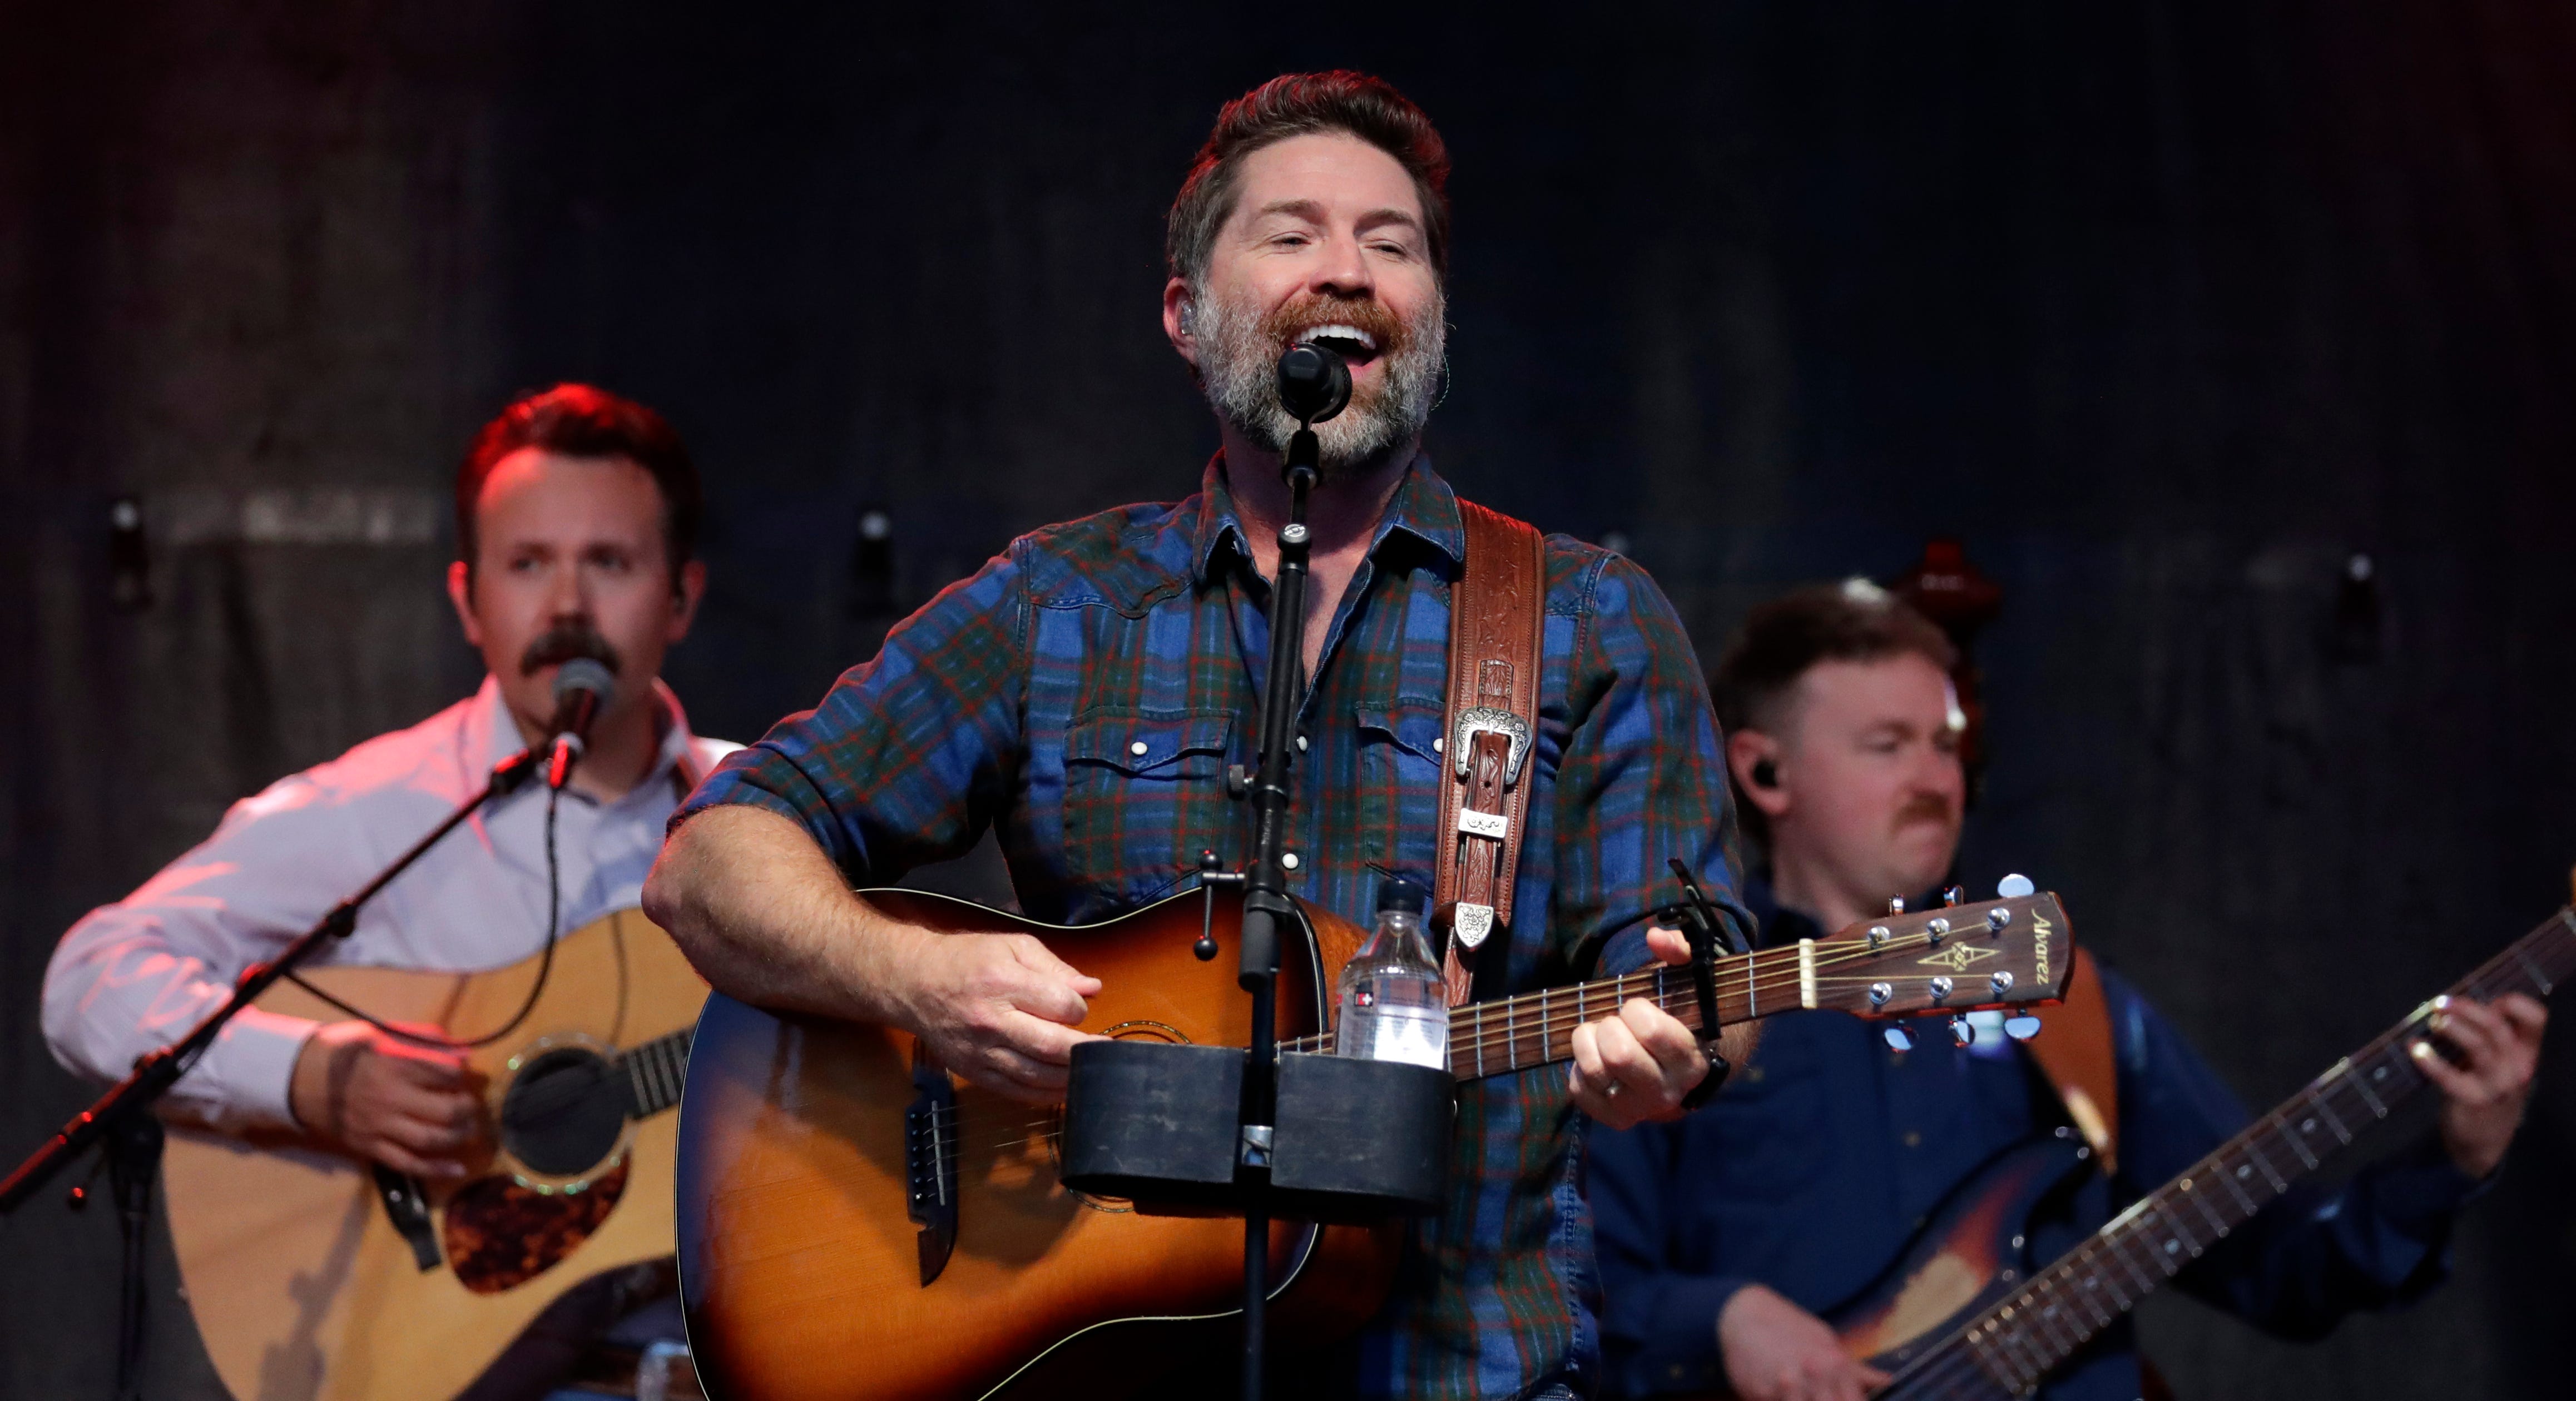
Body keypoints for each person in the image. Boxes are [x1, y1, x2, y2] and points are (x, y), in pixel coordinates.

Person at [643, 71, 1750, 1400]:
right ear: (1186, 313)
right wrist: (911, 984)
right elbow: (710, 861)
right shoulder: (1063, 602)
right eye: (1292, 234)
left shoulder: (1585, 620)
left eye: (1391, 245)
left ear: (1435, 322)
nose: (1347, 272)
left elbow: (1703, 987)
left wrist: (1675, 1044)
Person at [1586, 580, 2549, 1401]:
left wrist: (2455, 1161)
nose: (1937, 778)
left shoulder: (2067, 1000)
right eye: (1889, 745)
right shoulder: (1690, 1004)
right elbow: (1576, 1288)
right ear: (1763, 769)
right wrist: (1717, 1319)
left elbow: (2282, 1266)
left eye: (1947, 744)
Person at [43, 382, 731, 1399]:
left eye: (611, 563)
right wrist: (313, 1081)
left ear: (680, 596)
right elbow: (91, 977)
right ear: (467, 600)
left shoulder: (761, 819)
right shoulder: (377, 811)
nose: (568, 607)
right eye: (528, 563)